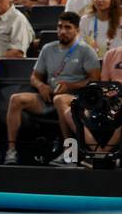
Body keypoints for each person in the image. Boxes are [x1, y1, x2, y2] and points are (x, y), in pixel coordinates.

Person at [6, 12, 100, 166]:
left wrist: (71, 86)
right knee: (16, 99)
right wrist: (41, 85)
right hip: (49, 96)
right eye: (60, 27)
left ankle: (69, 153)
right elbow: (34, 77)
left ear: (77, 30)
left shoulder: (86, 51)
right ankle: (11, 151)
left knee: (60, 100)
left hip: (75, 98)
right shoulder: (48, 49)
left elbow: (94, 80)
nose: (62, 31)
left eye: (68, 28)